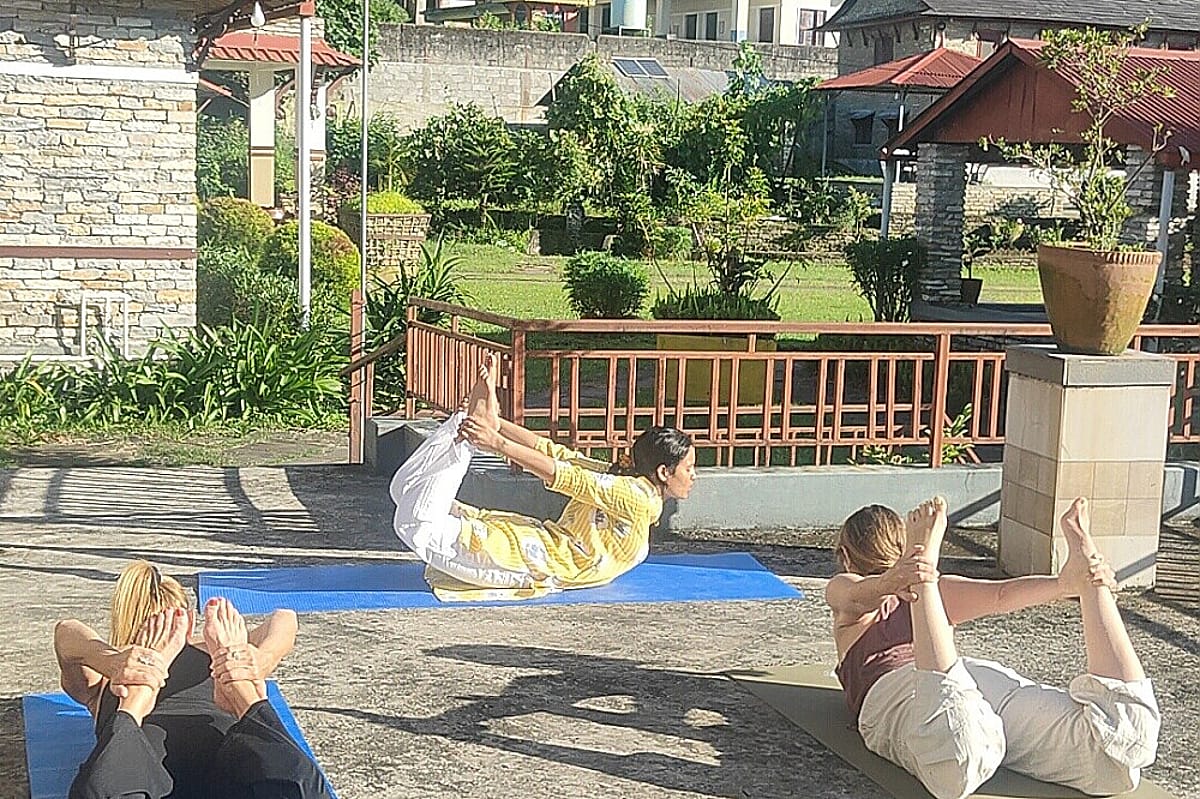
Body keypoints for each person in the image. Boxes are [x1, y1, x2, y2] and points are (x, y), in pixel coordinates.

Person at [826, 496, 1160, 799]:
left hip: (916, 693)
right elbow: (1000, 596)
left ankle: (1089, 585)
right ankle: (1090, 588)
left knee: (956, 765)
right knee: (1115, 754)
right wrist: (1062, 585)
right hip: (967, 681)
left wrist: (916, 576)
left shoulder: (855, 591)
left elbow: (853, 596)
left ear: (845, 556)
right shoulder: (887, 591)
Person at [390, 353, 697, 601]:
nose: (693, 475)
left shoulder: (623, 485)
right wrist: (497, 434)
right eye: (688, 468)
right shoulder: (639, 497)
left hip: (537, 549)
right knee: (414, 516)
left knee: (410, 507)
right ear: (663, 472)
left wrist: (497, 431)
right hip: (536, 559)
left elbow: (558, 461)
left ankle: (468, 424)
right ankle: (469, 432)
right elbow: (559, 464)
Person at [53, 561, 330, 799]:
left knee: (100, 788)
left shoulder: (107, 678)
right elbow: (66, 633)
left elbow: (285, 619)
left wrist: (260, 661)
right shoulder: (119, 669)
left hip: (143, 777)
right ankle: (244, 697)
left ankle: (137, 705)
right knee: (303, 785)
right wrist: (115, 661)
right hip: (226, 769)